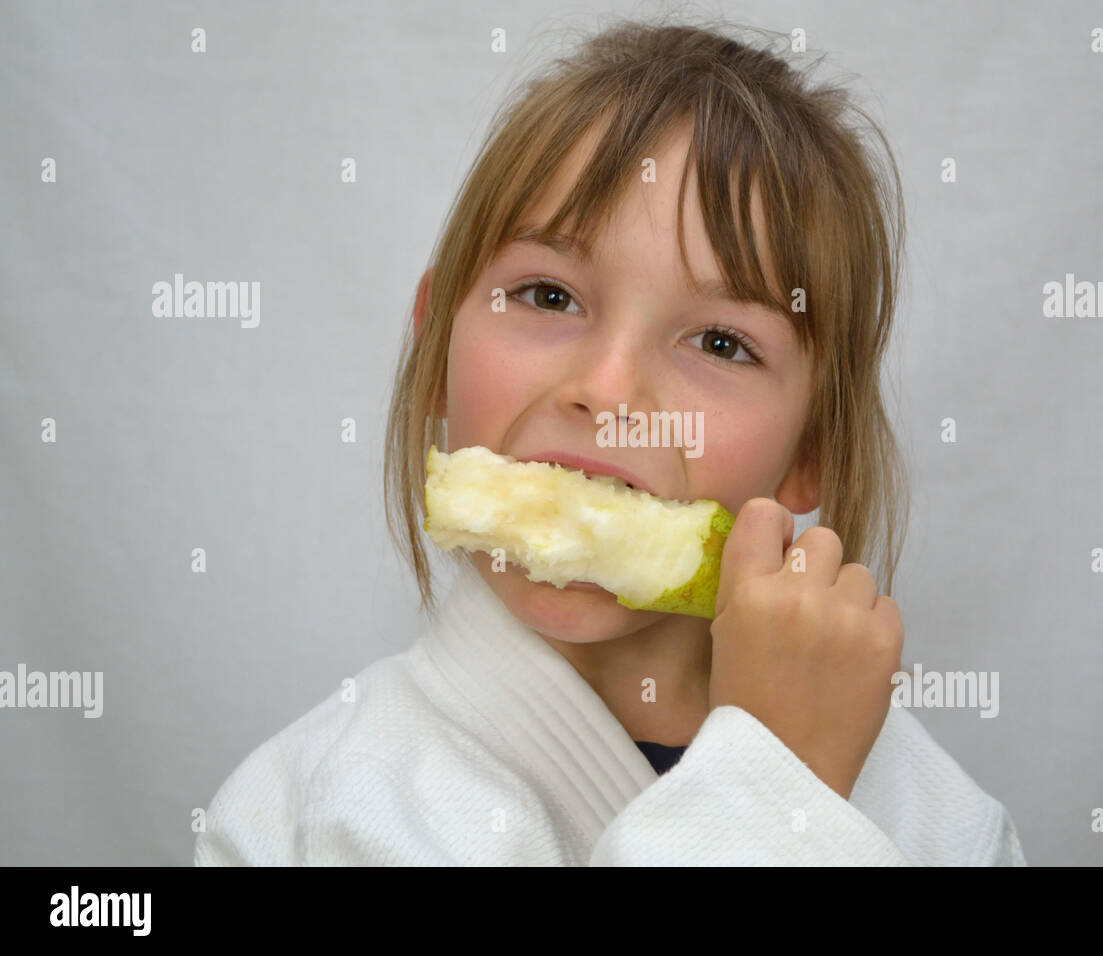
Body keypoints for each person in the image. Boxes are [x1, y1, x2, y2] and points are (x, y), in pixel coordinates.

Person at [195, 17, 1026, 866]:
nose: (609, 391)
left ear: (814, 448)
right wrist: (770, 794)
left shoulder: (944, 826)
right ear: (435, 340)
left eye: (720, 343)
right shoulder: (311, 819)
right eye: (548, 297)